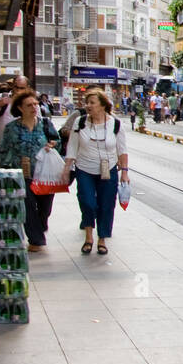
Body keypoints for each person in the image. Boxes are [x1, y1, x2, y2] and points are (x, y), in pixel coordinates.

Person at [65, 88, 128, 256]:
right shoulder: (80, 121)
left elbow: (122, 149)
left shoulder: (115, 124)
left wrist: (125, 172)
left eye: (92, 103)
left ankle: (101, 239)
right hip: (84, 168)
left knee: (106, 204)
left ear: (102, 105)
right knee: (87, 202)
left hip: (109, 169)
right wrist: (67, 168)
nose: (88, 106)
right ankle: (88, 236)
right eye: (87, 103)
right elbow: (72, 146)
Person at [0, 91, 59, 252]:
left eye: (35, 104)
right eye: (29, 105)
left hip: (45, 174)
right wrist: (3, 171)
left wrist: (53, 145)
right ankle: (36, 239)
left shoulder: (45, 124)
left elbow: (57, 141)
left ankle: (40, 226)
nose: (34, 107)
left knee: (45, 208)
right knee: (28, 205)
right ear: (20, 108)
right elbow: (4, 149)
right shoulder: (12, 128)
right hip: (21, 173)